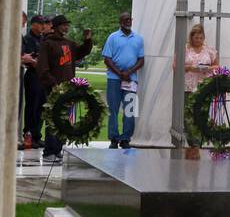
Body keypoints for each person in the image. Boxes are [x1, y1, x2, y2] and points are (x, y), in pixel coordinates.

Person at [37, 15, 94, 161]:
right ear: (56, 26)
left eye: (67, 25)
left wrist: (87, 40)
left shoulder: (69, 43)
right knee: (53, 118)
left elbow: (81, 52)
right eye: (64, 25)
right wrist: (53, 83)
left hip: (68, 88)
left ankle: (58, 149)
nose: (67, 27)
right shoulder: (47, 43)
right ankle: (49, 152)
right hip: (54, 88)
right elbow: (42, 67)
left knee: (64, 120)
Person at [102, 11, 145, 149]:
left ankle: (126, 138)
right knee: (113, 109)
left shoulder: (138, 39)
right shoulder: (113, 37)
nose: (128, 21)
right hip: (114, 78)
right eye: (125, 19)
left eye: (130, 19)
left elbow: (141, 60)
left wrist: (129, 72)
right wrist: (120, 73)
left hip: (131, 80)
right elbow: (107, 59)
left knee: (130, 110)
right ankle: (114, 138)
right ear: (120, 22)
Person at [20, 13, 47, 149]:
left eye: (44, 23)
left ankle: (37, 136)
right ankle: (29, 134)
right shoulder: (27, 39)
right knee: (32, 106)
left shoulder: (43, 39)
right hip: (33, 76)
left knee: (42, 107)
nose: (43, 26)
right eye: (41, 23)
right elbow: (29, 59)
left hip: (43, 77)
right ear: (33, 24)